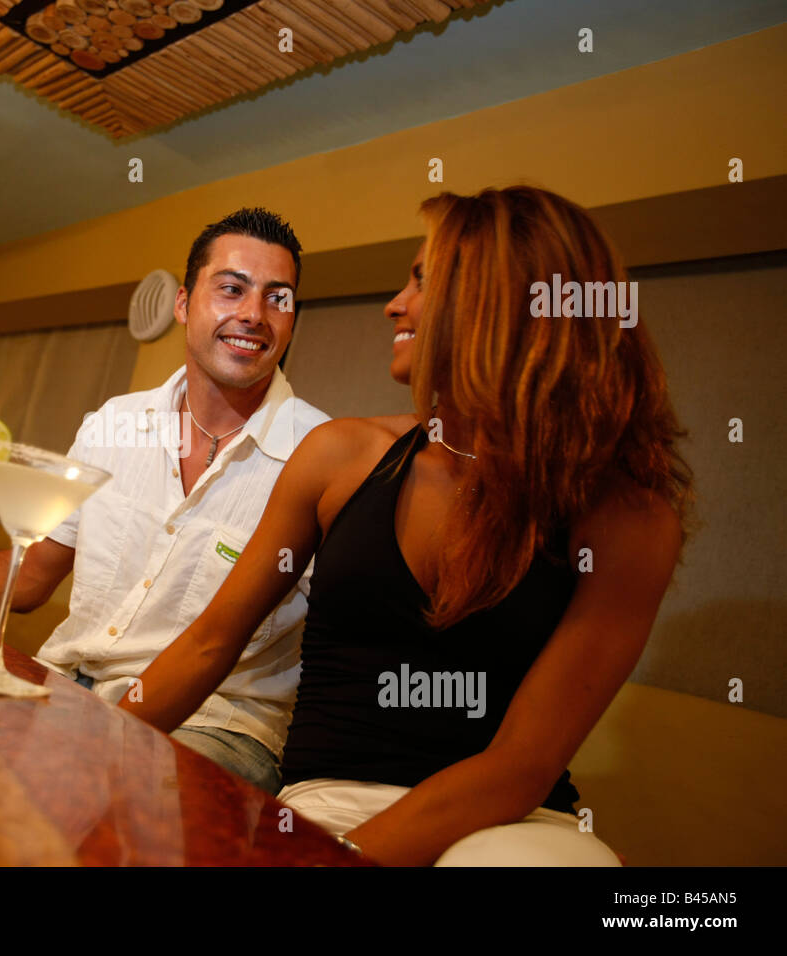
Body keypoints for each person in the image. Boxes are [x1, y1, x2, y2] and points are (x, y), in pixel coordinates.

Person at [118, 186, 693, 866]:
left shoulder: (629, 520)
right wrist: (89, 747)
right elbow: (210, 644)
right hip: (331, 800)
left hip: (510, 821)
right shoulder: (338, 457)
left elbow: (518, 767)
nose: (395, 303)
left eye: (423, 279)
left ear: (500, 302)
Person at [0, 208, 336, 793]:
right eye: (231, 288)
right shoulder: (114, 423)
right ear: (184, 304)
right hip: (66, 686)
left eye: (278, 298)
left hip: (216, 725)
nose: (254, 315)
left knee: (120, 807)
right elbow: (29, 578)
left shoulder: (318, 453)